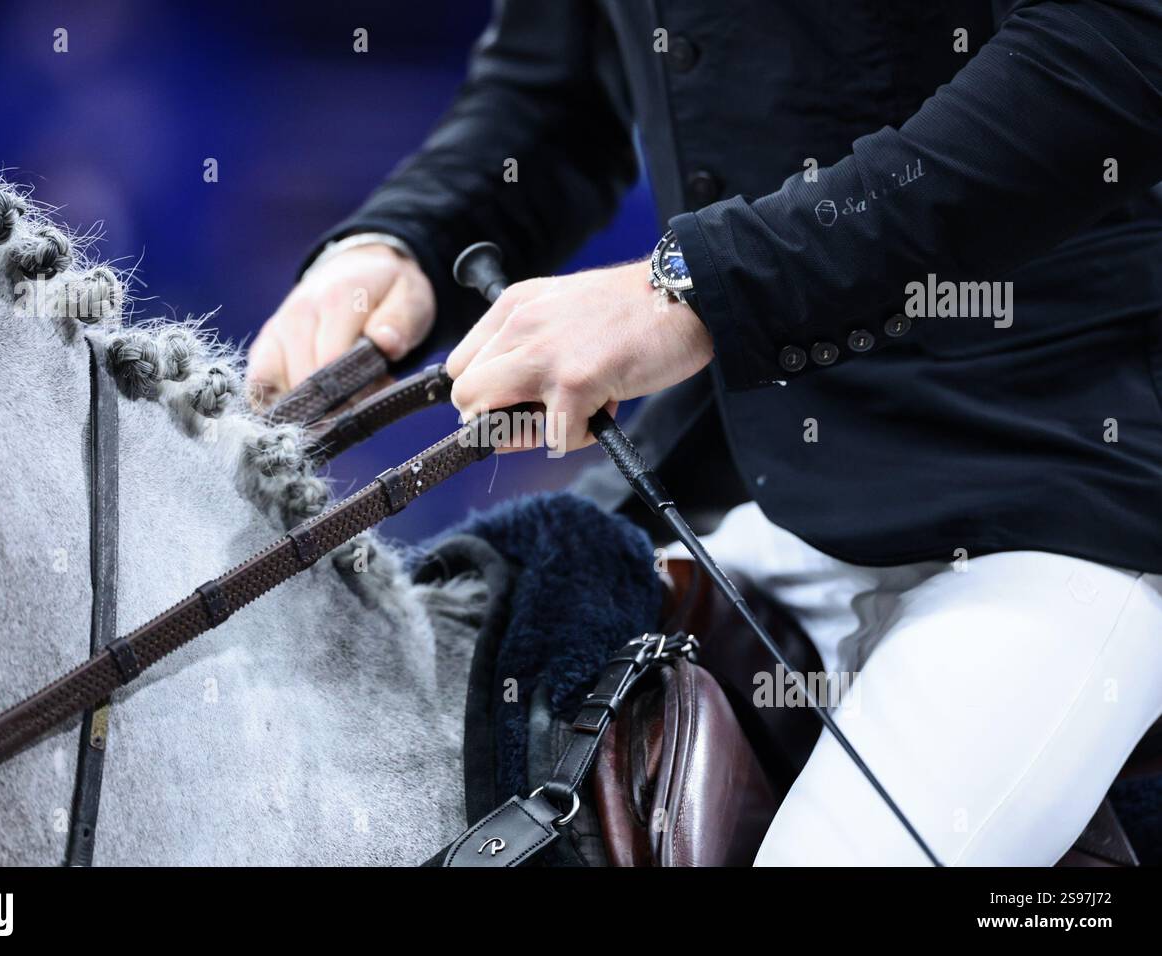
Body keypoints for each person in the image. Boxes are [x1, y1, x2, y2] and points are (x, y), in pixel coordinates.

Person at [246, 1, 1162, 865]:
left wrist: (698, 288)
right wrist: (399, 242)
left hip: (1061, 484)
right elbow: (554, 93)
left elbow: (1110, 48)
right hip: (740, 482)